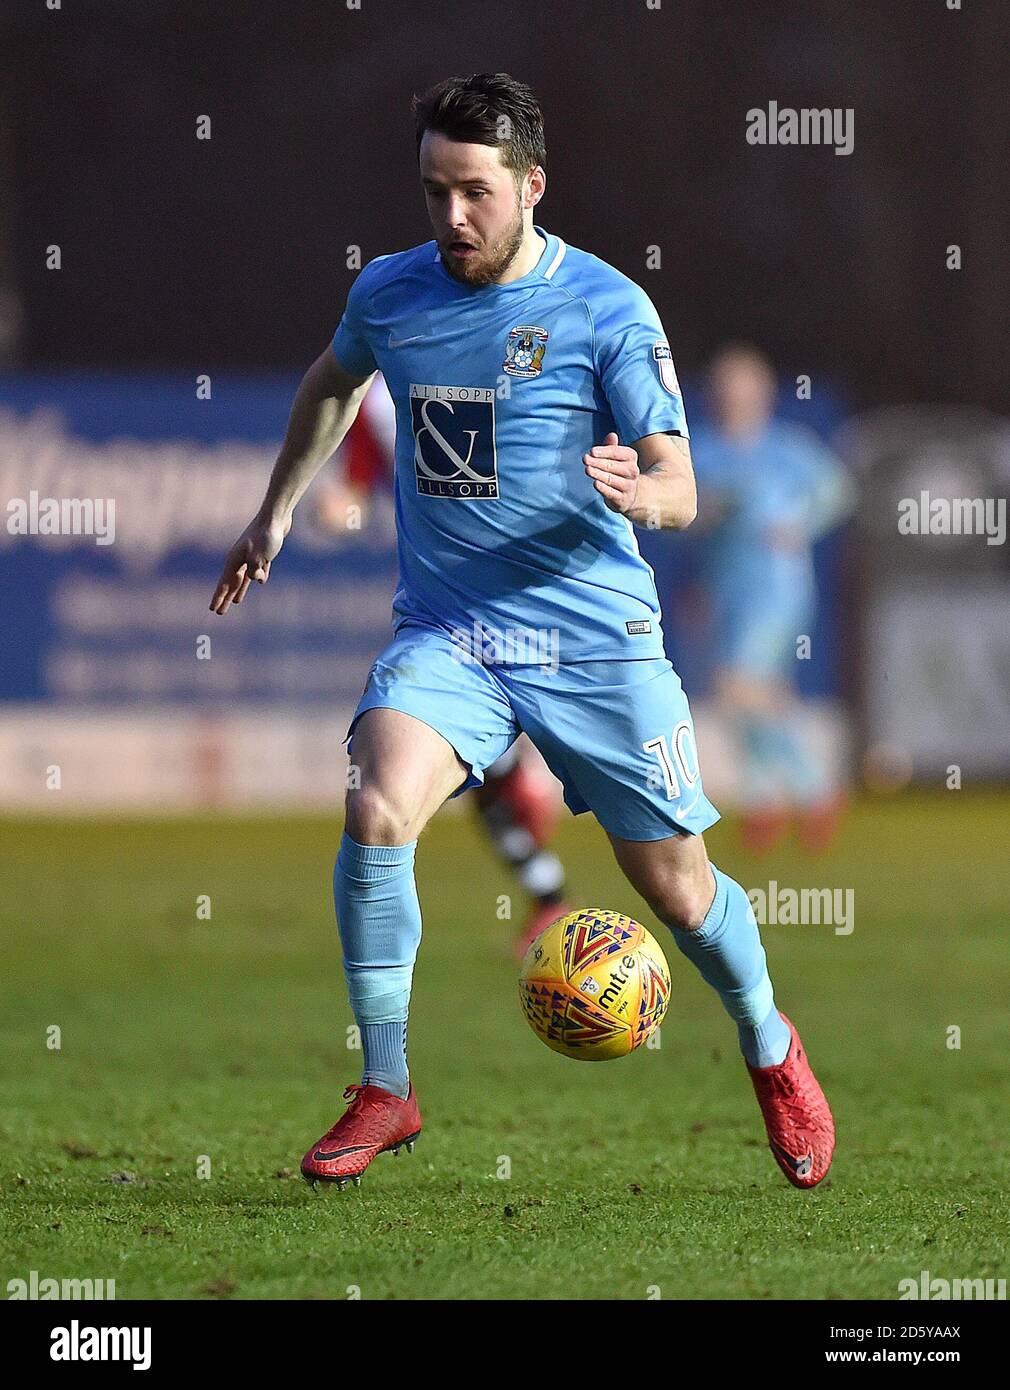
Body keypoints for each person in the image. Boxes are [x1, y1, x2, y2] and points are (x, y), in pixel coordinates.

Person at [210, 73, 834, 1192]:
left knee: (678, 890)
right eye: (433, 192)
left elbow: (682, 483)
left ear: (531, 185)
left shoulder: (604, 307)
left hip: (595, 637)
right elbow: (329, 384)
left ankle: (767, 1044)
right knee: (375, 800)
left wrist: (643, 496)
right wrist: (277, 509)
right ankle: (386, 1085)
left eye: (475, 194)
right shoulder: (391, 293)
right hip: (451, 631)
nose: (450, 218)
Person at [315, 374, 573, 954]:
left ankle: (529, 779)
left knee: (559, 765)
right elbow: (357, 490)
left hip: (536, 591)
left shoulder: (490, 350)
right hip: (447, 610)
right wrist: (336, 511)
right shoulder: (375, 396)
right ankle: (549, 892)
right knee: (470, 775)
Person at [690, 345, 856, 852]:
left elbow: (840, 490)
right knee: (763, 695)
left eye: (743, 383)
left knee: (737, 687)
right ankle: (767, 800)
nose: (733, 394)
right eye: (724, 383)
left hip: (777, 587)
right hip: (727, 589)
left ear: (762, 391)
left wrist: (800, 524)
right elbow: (684, 520)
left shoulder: (787, 447)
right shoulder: (703, 449)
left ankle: (812, 790)